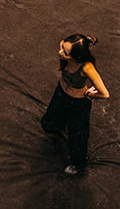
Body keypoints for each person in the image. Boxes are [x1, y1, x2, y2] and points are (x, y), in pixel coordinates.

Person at [40, 34, 109, 175]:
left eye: (65, 52)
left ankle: (78, 165)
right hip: (61, 94)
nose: (60, 53)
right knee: (49, 123)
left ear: (76, 57)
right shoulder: (65, 54)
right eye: (62, 47)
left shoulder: (86, 67)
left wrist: (89, 94)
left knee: (77, 138)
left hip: (77, 104)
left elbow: (105, 93)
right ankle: (61, 123)